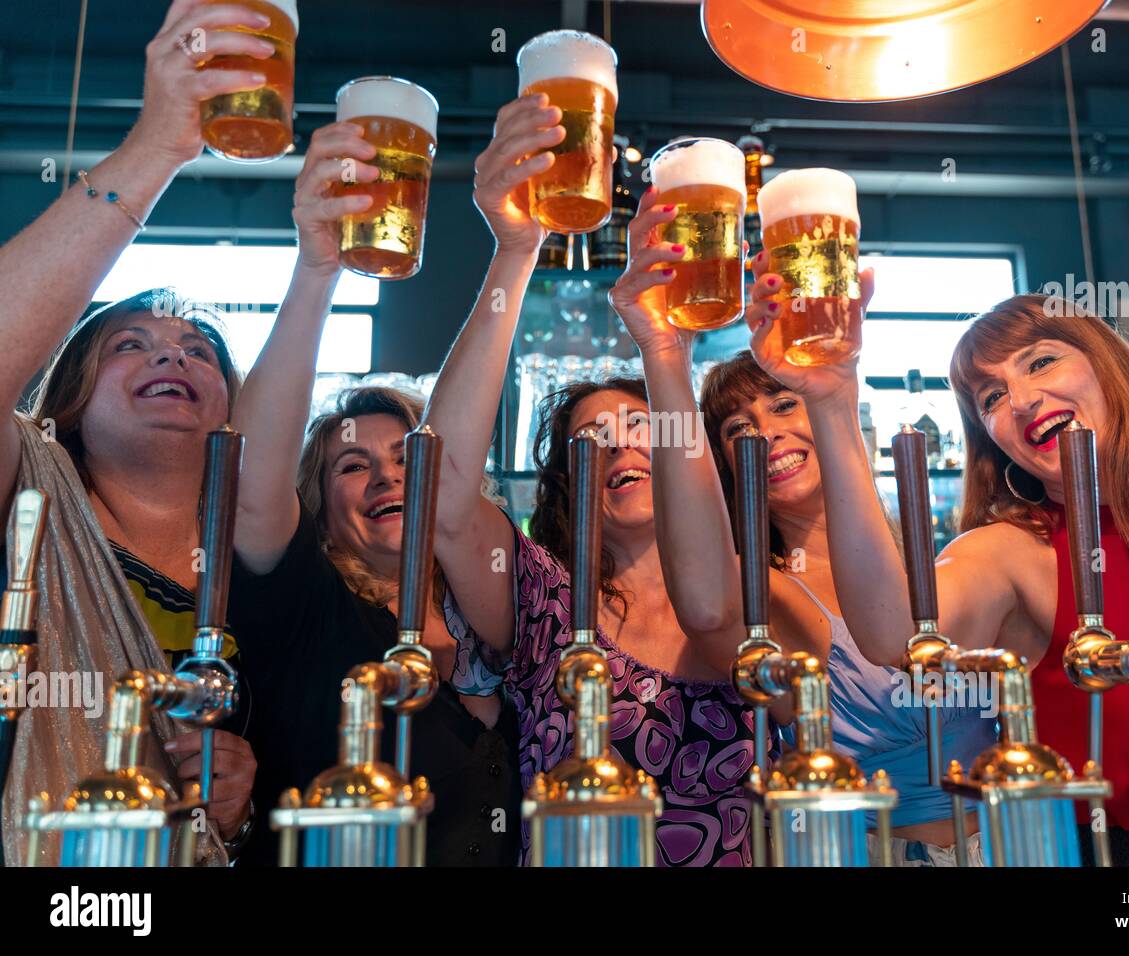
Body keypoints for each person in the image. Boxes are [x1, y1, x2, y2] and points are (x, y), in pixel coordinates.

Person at [424, 94, 828, 866]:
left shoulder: (756, 596)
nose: (618, 449)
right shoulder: (543, 599)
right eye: (591, 443)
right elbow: (441, 497)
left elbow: (740, 641)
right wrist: (515, 250)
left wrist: (662, 349)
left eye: (640, 428)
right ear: (567, 488)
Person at [829, 292, 1129, 865]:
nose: (1023, 400)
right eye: (992, 397)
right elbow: (893, 633)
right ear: (990, 438)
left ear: (1108, 366)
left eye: (1040, 361)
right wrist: (833, 402)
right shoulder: (1012, 550)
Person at [607, 188, 990, 866]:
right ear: (728, 465)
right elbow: (700, 602)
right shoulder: (770, 597)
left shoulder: (949, 564)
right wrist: (664, 357)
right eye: (738, 430)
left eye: (784, 402)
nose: (767, 433)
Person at [0, 0, 275, 864]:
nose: (175, 356)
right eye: (133, 343)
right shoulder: (27, 493)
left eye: (200, 349)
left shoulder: (268, 547)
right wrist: (159, 145)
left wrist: (231, 803)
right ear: (71, 399)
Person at [223, 119, 520, 866]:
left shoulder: (502, 613)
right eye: (353, 466)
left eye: (403, 457)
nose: (388, 475)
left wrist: (517, 248)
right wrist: (318, 270)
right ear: (319, 514)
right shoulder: (310, 608)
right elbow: (252, 482)